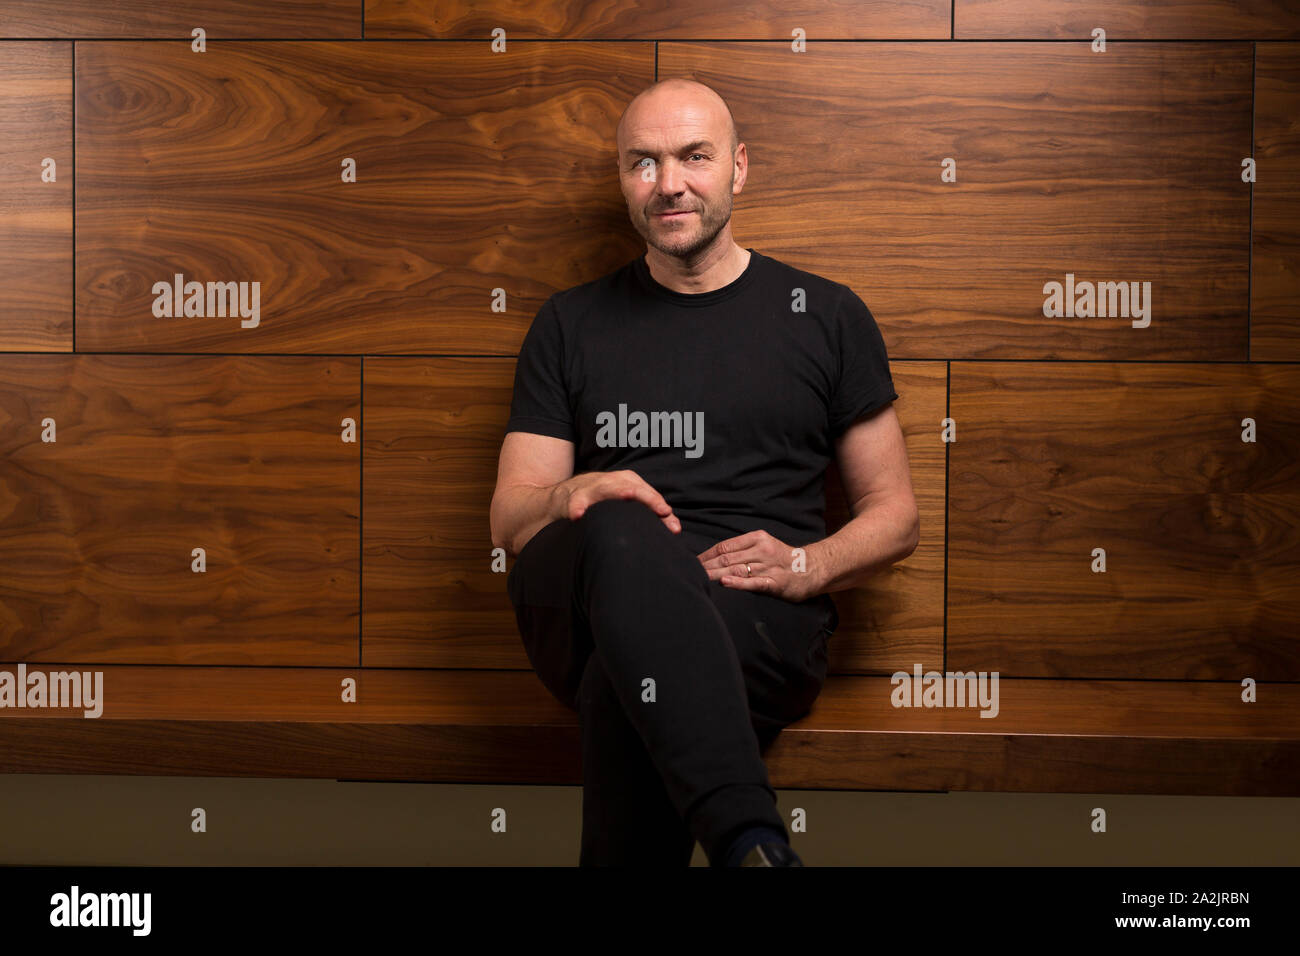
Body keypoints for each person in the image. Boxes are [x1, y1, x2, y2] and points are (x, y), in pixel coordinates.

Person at [489, 78, 919, 866]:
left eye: (693, 157)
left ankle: (747, 844)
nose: (669, 184)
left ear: (739, 168)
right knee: (616, 521)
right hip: (586, 601)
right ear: (624, 179)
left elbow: (897, 517)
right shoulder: (569, 323)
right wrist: (571, 492)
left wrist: (805, 564)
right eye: (643, 164)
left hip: (756, 621)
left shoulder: (825, 316)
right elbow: (513, 524)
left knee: (633, 677)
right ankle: (751, 839)